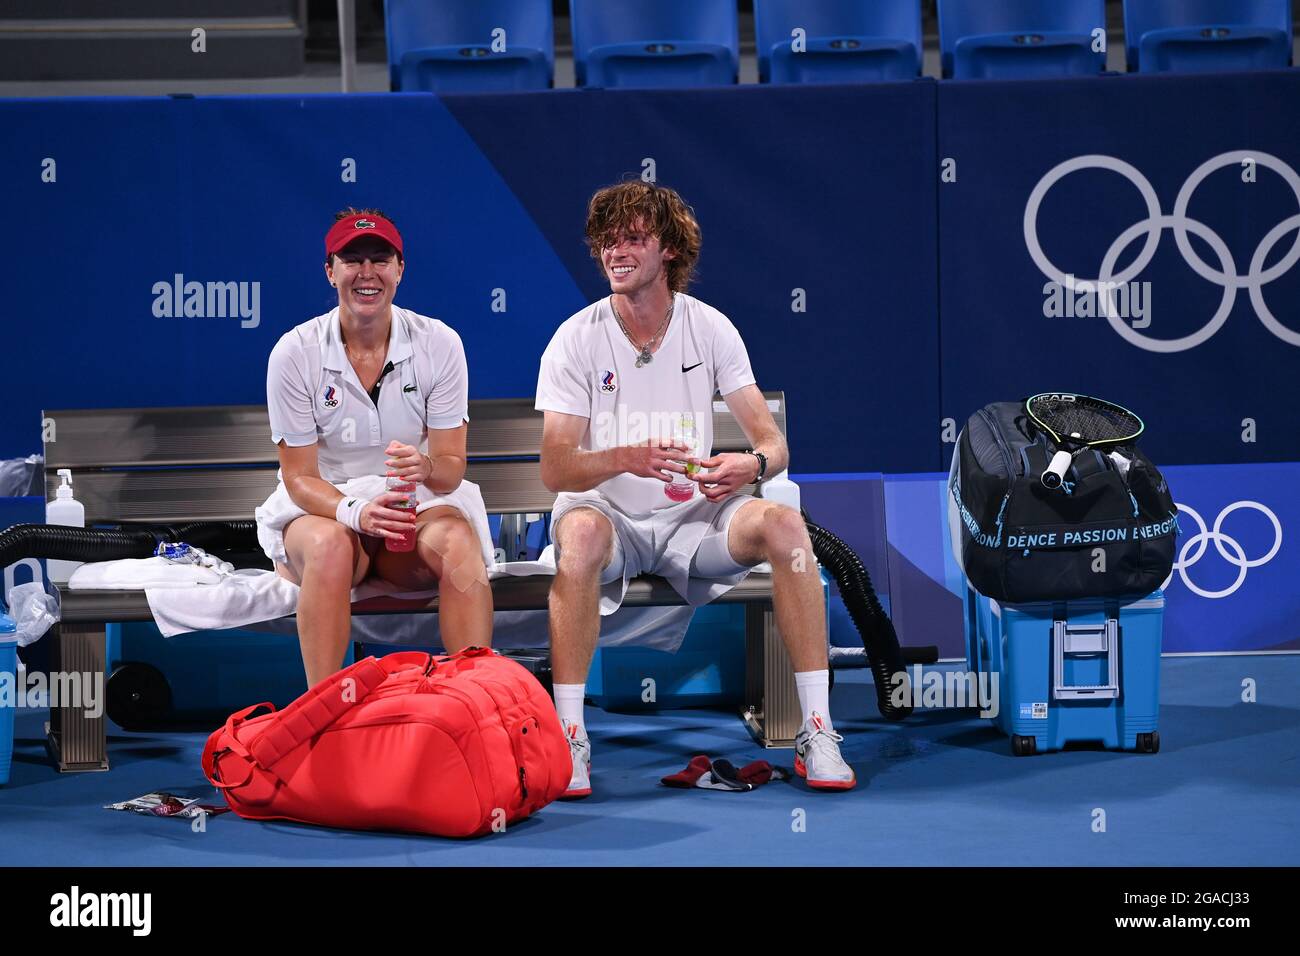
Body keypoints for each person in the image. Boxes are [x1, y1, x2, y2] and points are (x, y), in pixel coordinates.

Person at [535, 182, 855, 795]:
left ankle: (816, 729)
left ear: (671, 251)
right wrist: (626, 457)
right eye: (608, 240)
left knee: (786, 526)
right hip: (611, 520)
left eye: (634, 238)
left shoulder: (710, 330)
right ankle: (569, 734)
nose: (616, 251)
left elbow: (774, 443)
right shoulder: (576, 337)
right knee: (575, 538)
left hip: (694, 519)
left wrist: (751, 466)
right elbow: (555, 470)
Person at [255, 208, 494, 687]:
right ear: (331, 270)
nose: (367, 273)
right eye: (352, 259)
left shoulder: (440, 343)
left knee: (457, 541)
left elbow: (450, 470)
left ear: (400, 269)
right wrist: (355, 512)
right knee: (327, 548)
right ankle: (327, 716)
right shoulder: (294, 351)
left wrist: (425, 466)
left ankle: (478, 705)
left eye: (380, 258)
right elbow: (299, 478)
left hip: (411, 516)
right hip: (327, 514)